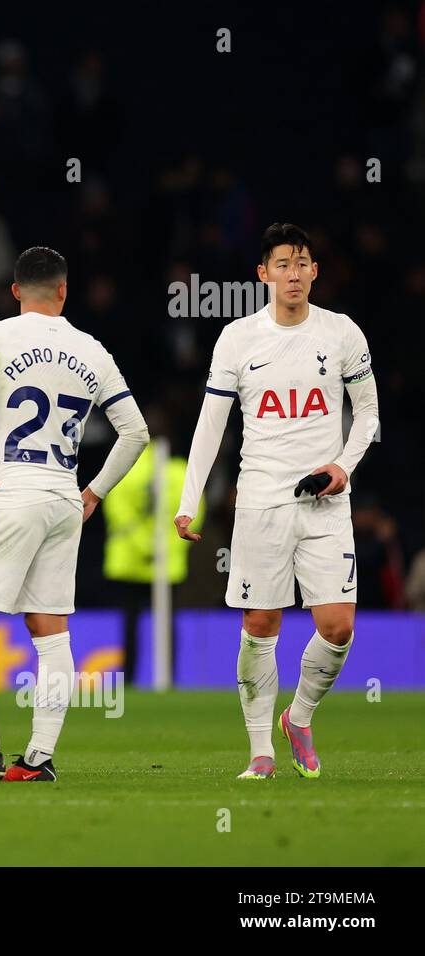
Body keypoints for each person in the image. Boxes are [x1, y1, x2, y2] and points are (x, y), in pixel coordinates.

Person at [0, 246, 148, 783]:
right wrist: (93, 492)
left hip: (11, 491)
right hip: (63, 500)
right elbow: (136, 432)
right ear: (64, 291)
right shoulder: (93, 350)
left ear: (14, 291)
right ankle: (38, 758)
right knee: (50, 633)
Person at [175, 223, 379, 780]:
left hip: (325, 505)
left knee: (337, 626)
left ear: (315, 272)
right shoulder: (238, 339)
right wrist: (189, 500)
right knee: (261, 623)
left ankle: (301, 716)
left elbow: (368, 416)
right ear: (263, 274)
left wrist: (342, 466)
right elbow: (210, 425)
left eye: (303, 262)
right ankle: (260, 752)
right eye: (282, 264)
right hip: (261, 502)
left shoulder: (342, 334)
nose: (294, 273)